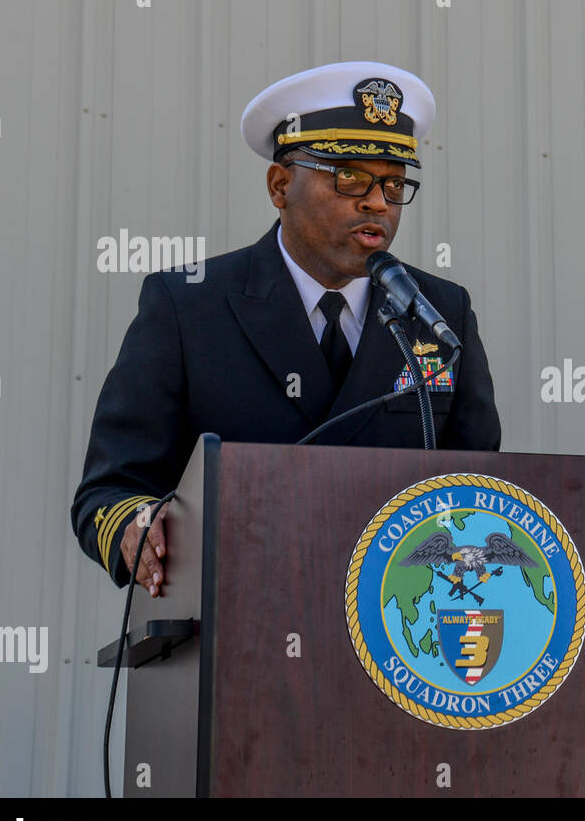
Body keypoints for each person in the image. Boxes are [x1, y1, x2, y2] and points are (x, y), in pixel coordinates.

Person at [71, 62, 501, 596]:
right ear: (280, 185)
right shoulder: (188, 305)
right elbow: (111, 490)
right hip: (240, 628)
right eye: (350, 178)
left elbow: (483, 495)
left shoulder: (439, 313)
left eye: (393, 184)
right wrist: (137, 528)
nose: (377, 203)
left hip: (399, 641)